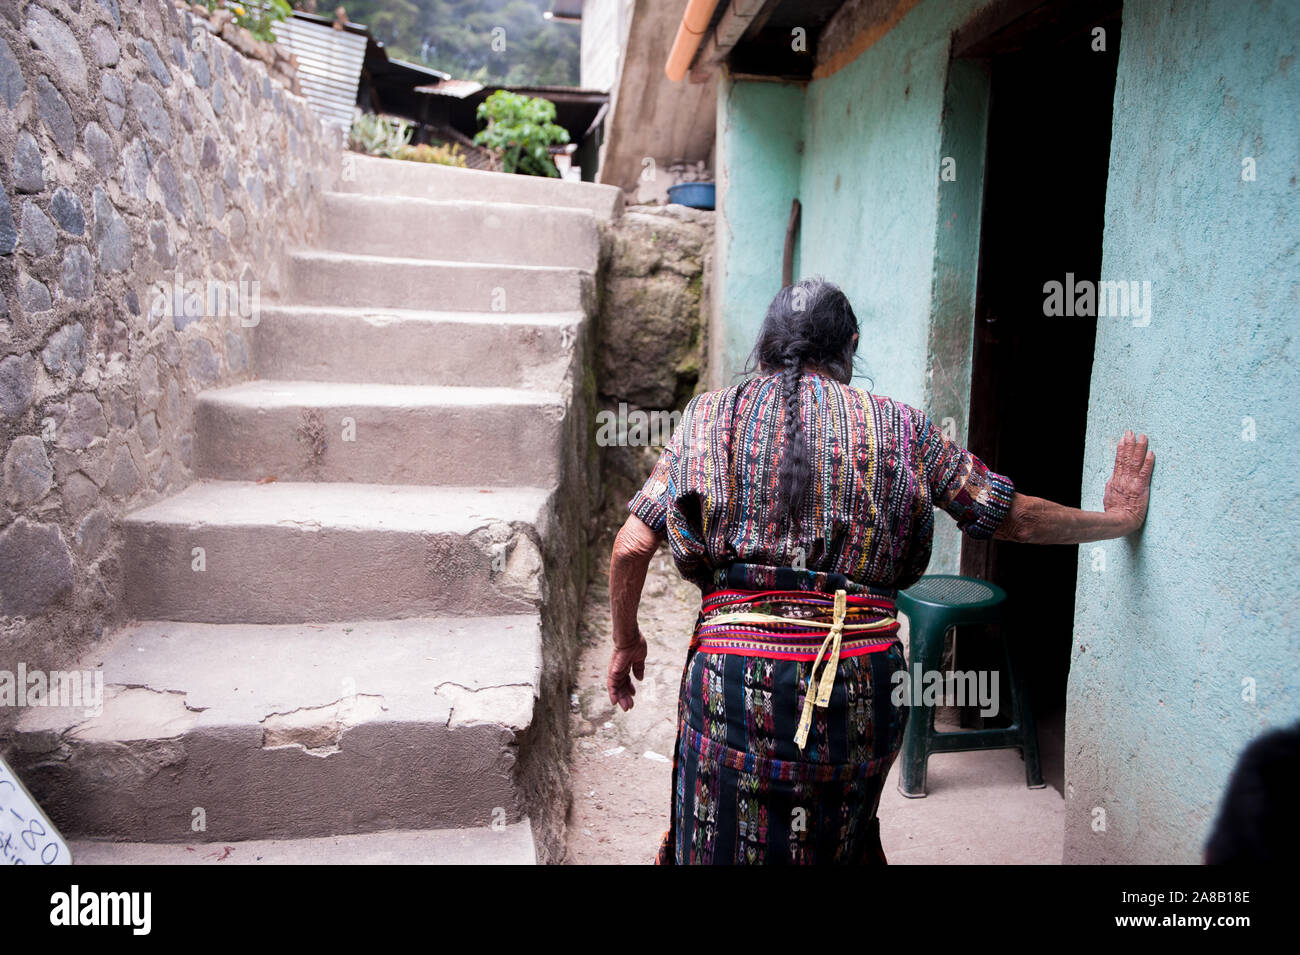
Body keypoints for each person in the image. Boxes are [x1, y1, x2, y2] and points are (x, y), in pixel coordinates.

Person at [607, 277, 1155, 865]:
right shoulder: (904, 428)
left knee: (717, 838)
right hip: (861, 685)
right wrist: (1117, 520)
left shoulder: (707, 417)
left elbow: (633, 545)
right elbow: (1011, 518)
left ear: (765, 346)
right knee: (833, 840)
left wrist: (626, 641)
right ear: (852, 344)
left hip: (731, 680)